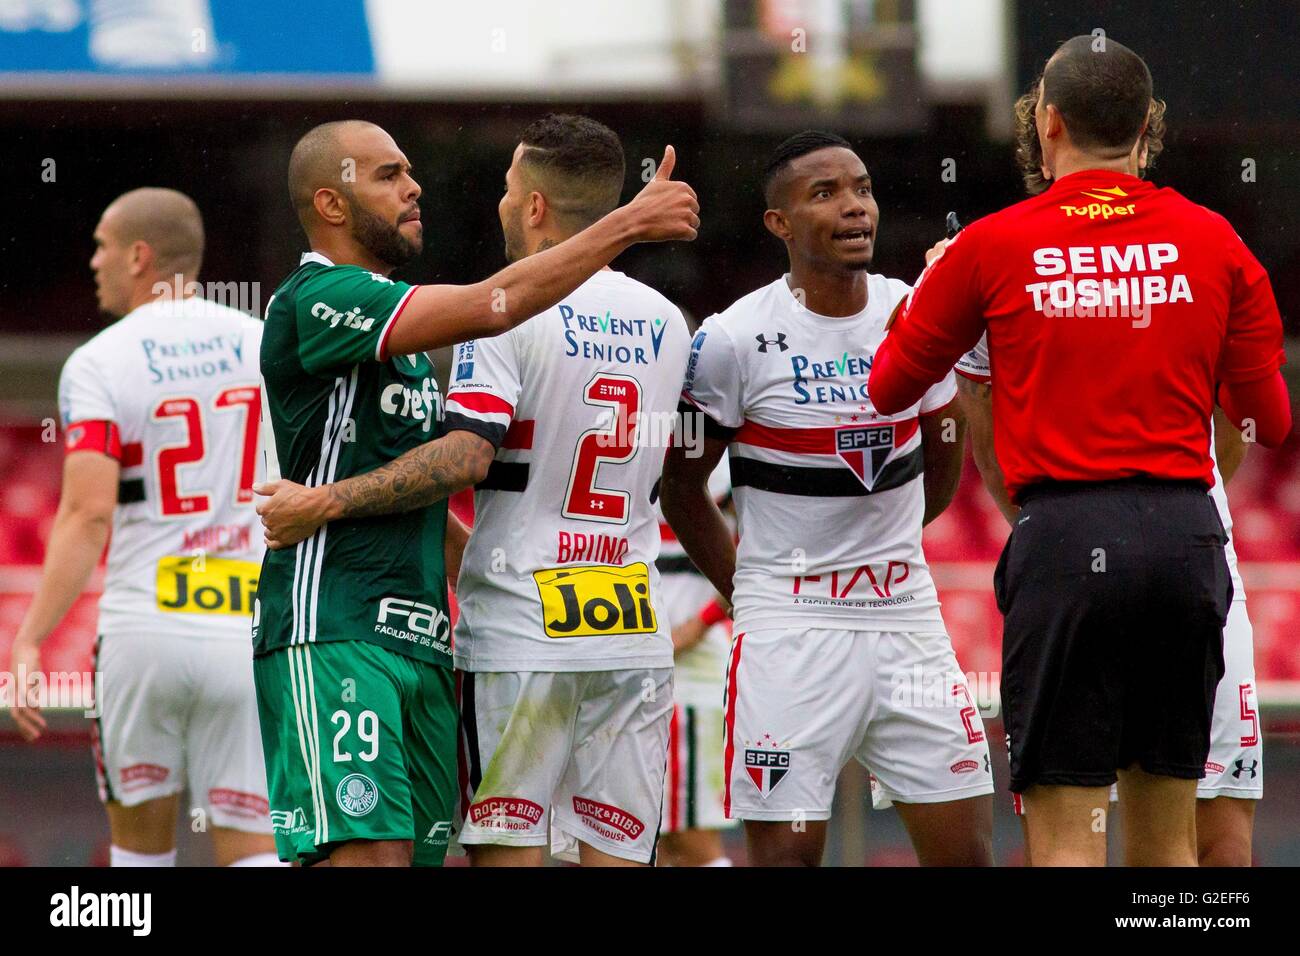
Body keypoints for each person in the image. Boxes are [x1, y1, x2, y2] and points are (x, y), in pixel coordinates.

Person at [869, 36, 1289, 866]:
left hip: (1062, 542)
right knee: (1171, 850)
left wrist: (935, 297)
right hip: (1185, 538)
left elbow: (890, 388)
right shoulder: (1215, 240)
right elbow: (1268, 421)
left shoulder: (988, 246)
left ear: (1048, 122)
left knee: (1067, 842)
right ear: (1145, 128)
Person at [251, 118, 698, 867]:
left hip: (429, 633)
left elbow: (438, 475)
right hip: (336, 624)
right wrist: (627, 225)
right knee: (372, 858)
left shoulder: (417, 344)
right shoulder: (319, 297)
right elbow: (494, 307)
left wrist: (466, 559)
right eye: (391, 174)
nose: (415, 184)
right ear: (332, 203)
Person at [660, 130, 994, 868]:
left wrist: (890, 543)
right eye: (826, 194)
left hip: (907, 618)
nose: (854, 209)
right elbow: (681, 488)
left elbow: (943, 461)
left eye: (863, 189)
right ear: (778, 222)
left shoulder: (917, 312)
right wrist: (750, 593)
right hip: (789, 628)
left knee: (968, 856)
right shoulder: (731, 339)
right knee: (786, 861)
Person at [954, 91, 1262, 866]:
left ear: (1046, 122)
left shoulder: (1200, 246)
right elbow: (992, 452)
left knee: (1219, 849)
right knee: (1094, 835)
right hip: (1144, 547)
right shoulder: (1004, 264)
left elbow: (1243, 421)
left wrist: (1167, 495)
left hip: (1181, 546)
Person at [9, 188, 279, 867]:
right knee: (253, 846)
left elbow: (89, 511)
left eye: (101, 245)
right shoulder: (265, 342)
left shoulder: (101, 360)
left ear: (139, 255)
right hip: (247, 626)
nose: (93, 260)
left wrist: (32, 638)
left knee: (140, 854)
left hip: (145, 630)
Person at [656, 458, 737, 867]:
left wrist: (701, 623)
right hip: (634, 654)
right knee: (653, 840)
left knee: (689, 839)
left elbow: (764, 545)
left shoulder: (711, 437)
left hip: (692, 662)